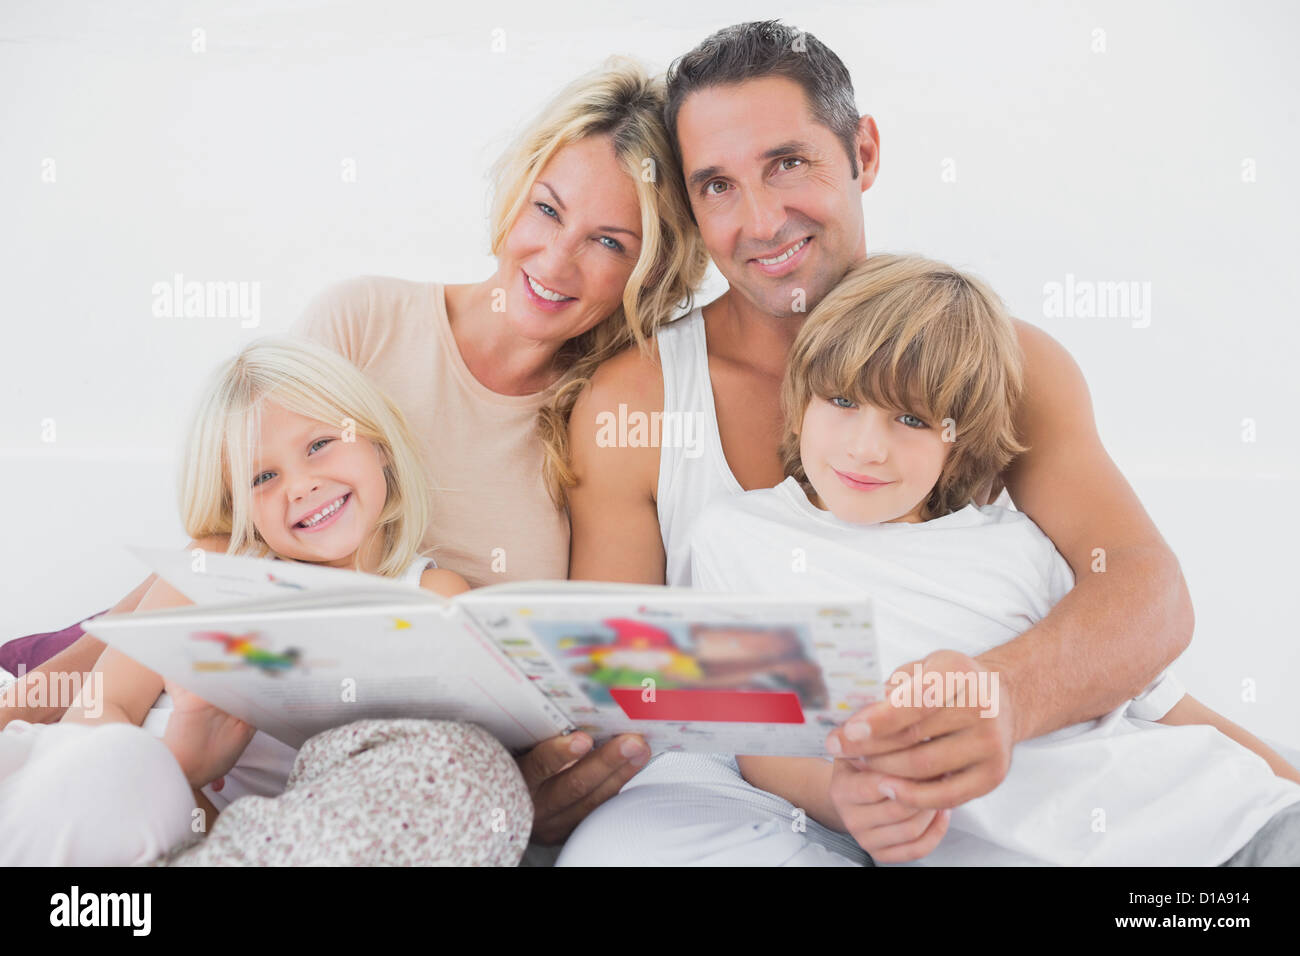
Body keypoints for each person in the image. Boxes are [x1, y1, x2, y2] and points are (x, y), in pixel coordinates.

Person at [2, 56, 708, 847]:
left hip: (395, 776)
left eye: (608, 241)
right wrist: (28, 703)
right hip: (218, 745)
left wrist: (518, 791)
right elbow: (215, 558)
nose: (556, 259)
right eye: (547, 210)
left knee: (454, 776)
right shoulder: (364, 322)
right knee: (107, 772)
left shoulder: (608, 416)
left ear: (649, 268)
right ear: (515, 195)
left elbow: (584, 689)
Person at [563, 21, 1198, 863]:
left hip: (988, 775)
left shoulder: (1003, 363)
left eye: (788, 164)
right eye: (717, 185)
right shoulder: (637, 400)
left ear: (862, 152)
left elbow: (1145, 589)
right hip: (744, 794)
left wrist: (1004, 697)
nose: (762, 221)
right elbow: (620, 680)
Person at [559, 254, 1300, 866]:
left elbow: (1170, 708)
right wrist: (843, 797)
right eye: (842, 402)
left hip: (1230, 823)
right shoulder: (735, 538)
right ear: (800, 400)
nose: (866, 447)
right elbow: (759, 743)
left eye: (911, 419)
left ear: (959, 441)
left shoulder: (1019, 548)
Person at [0, 338, 531, 866]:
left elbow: (419, 766)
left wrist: (195, 795)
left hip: (246, 838)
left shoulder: (432, 596)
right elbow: (96, 711)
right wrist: (177, 769)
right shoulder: (215, 567)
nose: (300, 486)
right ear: (238, 508)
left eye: (320, 444)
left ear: (380, 445)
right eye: (263, 477)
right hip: (110, 794)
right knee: (106, 763)